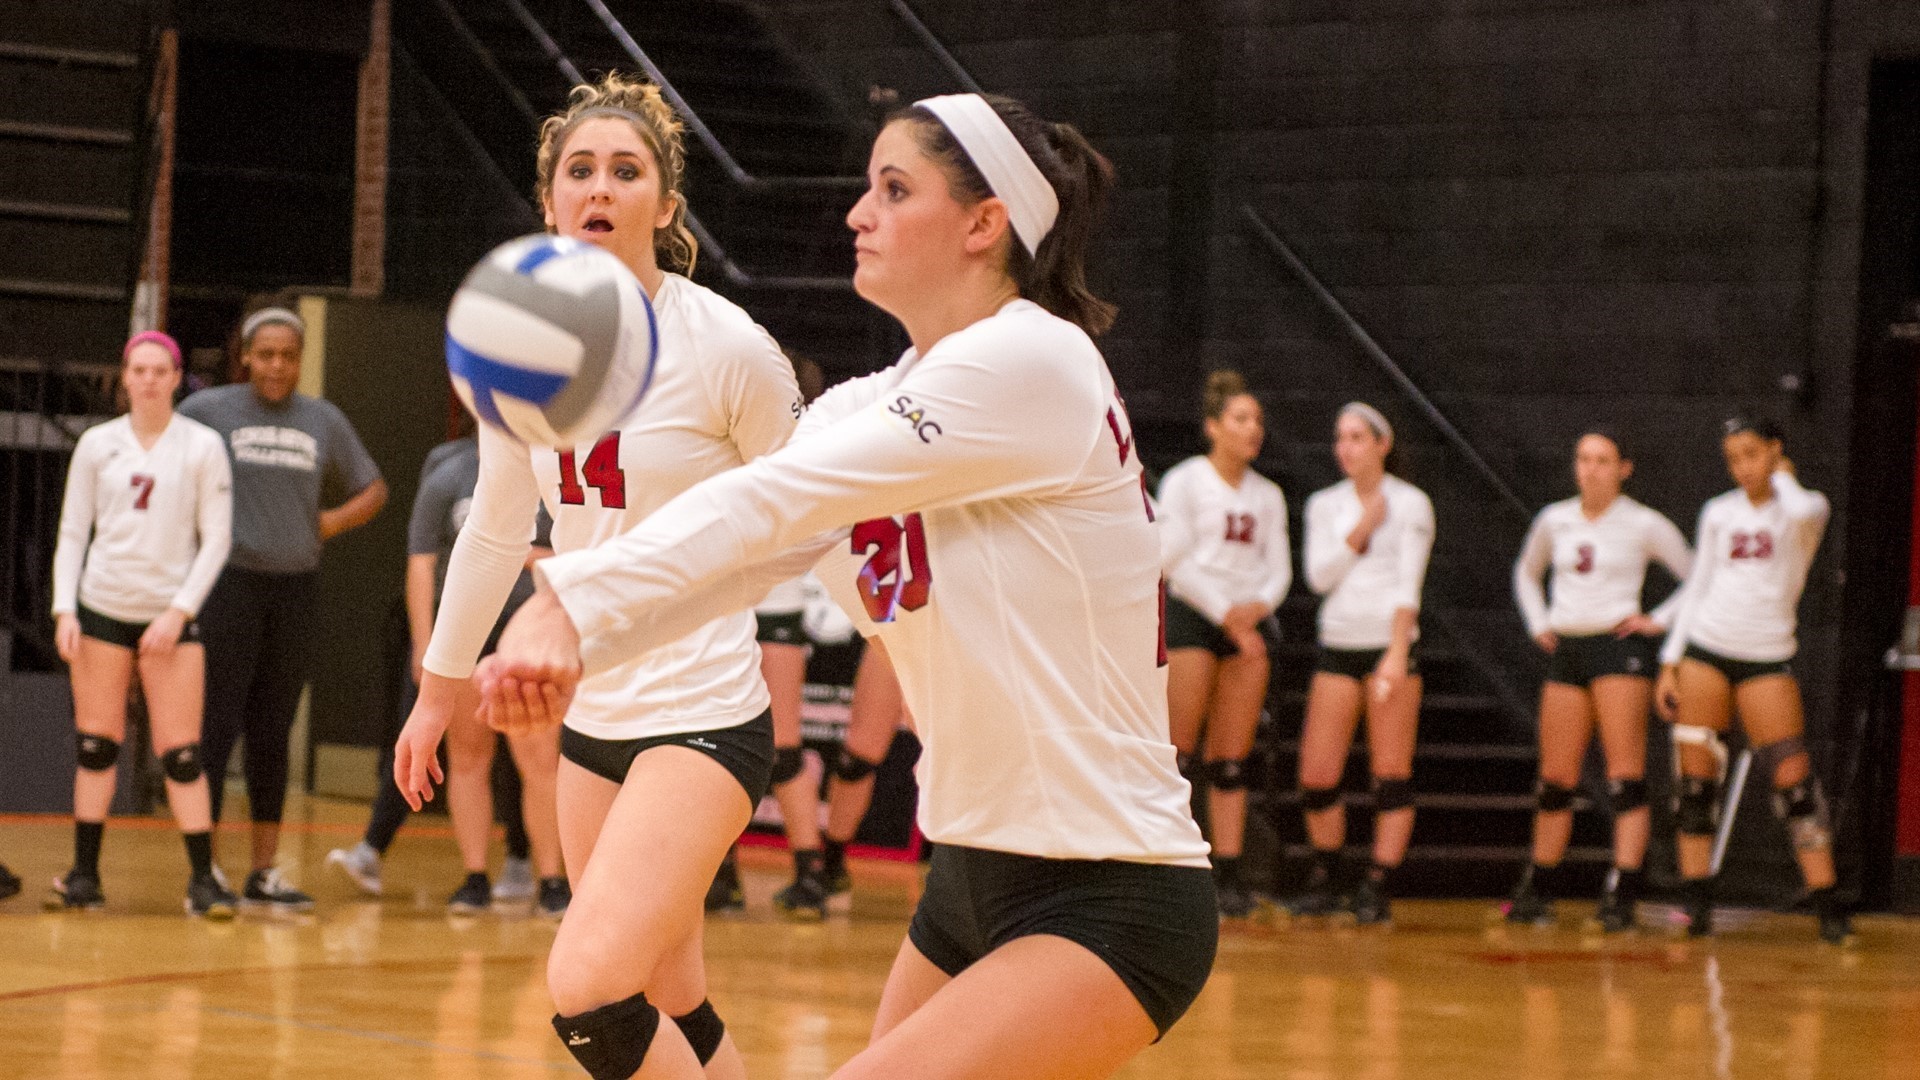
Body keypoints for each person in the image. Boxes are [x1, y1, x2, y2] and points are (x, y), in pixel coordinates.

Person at [476, 90, 1217, 1080]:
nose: (857, 213)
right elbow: (751, 552)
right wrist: (581, 648)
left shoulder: (1036, 358)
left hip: (1108, 888)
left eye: (893, 188)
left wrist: (570, 601)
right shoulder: (874, 403)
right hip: (965, 871)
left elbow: (777, 493)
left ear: (982, 222)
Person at [394, 72, 802, 1079]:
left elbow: (808, 512)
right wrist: (437, 694)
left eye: (628, 170)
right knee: (672, 998)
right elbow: (495, 529)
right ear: (549, 202)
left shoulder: (729, 348)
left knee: (592, 999)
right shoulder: (520, 348)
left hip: (704, 710)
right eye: (581, 169)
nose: (601, 186)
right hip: (592, 717)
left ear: (664, 207)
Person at [178, 307, 388, 911]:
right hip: (227, 588)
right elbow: (164, 460)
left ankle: (264, 872)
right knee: (214, 731)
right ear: (246, 356)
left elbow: (374, 488)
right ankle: (206, 870)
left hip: (294, 591)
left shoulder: (324, 420)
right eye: (265, 354)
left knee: (271, 734)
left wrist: (326, 522)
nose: (276, 365)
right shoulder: (208, 411)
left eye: (287, 356)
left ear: (299, 360)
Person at [327, 431, 568, 917]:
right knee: (467, 756)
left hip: (531, 628)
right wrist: (427, 644)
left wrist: (522, 556)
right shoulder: (448, 475)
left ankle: (552, 881)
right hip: (469, 632)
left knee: (540, 759)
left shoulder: (556, 463)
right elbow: (422, 565)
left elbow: (588, 551)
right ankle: (475, 876)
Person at [44, 331, 236, 916]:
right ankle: (84, 875)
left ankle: (203, 881)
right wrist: (64, 607)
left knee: (181, 753)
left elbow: (218, 538)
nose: (149, 379)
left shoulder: (201, 446)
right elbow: (74, 531)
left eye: (160, 370)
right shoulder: (98, 446)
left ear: (177, 378)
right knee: (97, 746)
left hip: (169, 618)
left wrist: (180, 611)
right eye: (139, 370)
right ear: (124, 377)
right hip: (103, 608)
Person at [1655, 416, 1850, 943]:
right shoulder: (1718, 511)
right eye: (1734, 458)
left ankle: (1827, 903)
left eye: (1752, 454)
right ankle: (1697, 901)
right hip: (1706, 650)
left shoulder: (1802, 509)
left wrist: (1783, 475)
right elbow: (1698, 585)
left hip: (1766, 656)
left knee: (1795, 785)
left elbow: (1806, 506)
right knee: (1696, 784)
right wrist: (1670, 660)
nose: (1743, 467)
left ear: (1773, 452)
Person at [1504, 432, 1691, 932]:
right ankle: (1540, 884)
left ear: (1624, 467)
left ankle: (1623, 890)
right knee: (1555, 780)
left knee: (1624, 778)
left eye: (1603, 460)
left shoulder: (1643, 522)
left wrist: (1657, 619)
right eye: (1583, 458)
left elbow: (1697, 575)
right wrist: (1538, 620)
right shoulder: (1555, 519)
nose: (1590, 469)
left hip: (1618, 648)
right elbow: (1526, 571)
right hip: (1569, 649)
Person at [1283, 403, 1434, 925]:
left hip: (1388, 645)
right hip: (1340, 642)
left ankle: (1378, 883)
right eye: (1339, 438)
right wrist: (1362, 529)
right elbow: (1319, 577)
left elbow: (1408, 581)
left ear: (1382, 444)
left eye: (1356, 437)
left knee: (1391, 773)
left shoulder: (1412, 503)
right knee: (1317, 775)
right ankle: (1329, 872)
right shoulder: (1327, 504)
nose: (1345, 448)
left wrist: (1396, 652)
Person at [1157, 369, 1290, 918]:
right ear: (1213, 426)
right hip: (1195, 615)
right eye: (1240, 418)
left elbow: (1279, 567)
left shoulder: (1268, 494)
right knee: (1175, 752)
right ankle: (1164, 867)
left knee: (1230, 760)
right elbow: (1175, 559)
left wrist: (1254, 612)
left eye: (1257, 419)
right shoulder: (1186, 480)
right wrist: (1225, 616)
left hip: (1248, 622)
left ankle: (1228, 875)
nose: (1252, 428)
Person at [769, 625, 912, 921]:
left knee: (859, 758)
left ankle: (831, 864)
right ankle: (816, 871)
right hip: (794, 606)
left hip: (905, 617)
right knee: (781, 753)